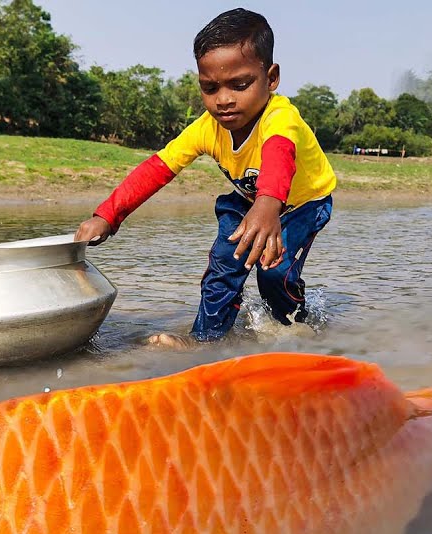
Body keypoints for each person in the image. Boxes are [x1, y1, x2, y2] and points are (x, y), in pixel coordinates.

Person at [73, 8, 337, 347]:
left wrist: (268, 204)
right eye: (210, 88)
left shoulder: (280, 118)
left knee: (274, 272)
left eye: (240, 85)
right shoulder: (207, 128)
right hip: (252, 201)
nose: (224, 100)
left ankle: (296, 325)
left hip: (303, 203)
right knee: (224, 266)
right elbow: (158, 169)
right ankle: (205, 341)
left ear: (271, 78)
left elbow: (279, 154)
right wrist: (107, 215)